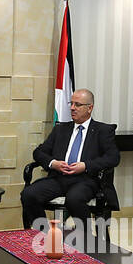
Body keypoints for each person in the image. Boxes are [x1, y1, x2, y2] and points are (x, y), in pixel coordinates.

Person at [22, 89, 120, 230]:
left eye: (78, 104)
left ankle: (85, 239)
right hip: (59, 178)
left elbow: (113, 158)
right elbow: (38, 152)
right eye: (71, 103)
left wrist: (85, 165)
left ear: (89, 108)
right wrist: (53, 163)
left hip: (86, 180)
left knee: (74, 199)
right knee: (28, 194)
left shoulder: (102, 130)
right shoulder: (61, 129)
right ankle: (46, 235)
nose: (72, 108)